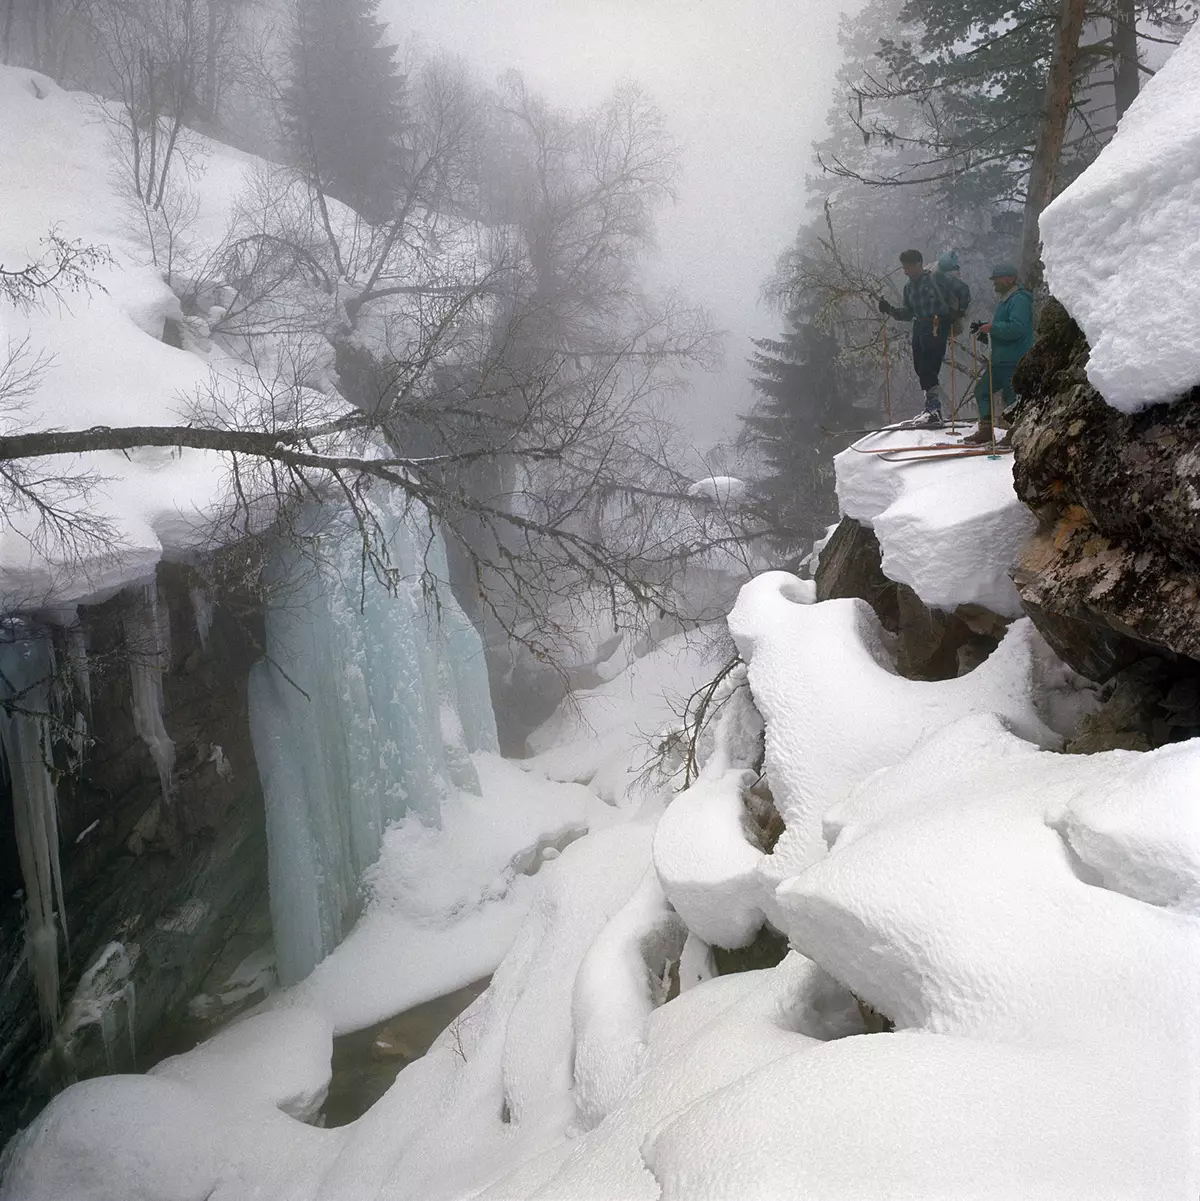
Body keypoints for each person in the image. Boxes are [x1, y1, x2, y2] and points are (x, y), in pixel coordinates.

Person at [877, 249, 968, 428]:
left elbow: (963, 290)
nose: (905, 271)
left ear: (918, 263)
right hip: (919, 326)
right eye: (904, 268)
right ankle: (931, 409)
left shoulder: (936, 278)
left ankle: (934, 410)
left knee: (928, 365)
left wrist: (958, 313)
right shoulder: (909, 287)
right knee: (920, 366)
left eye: (908, 267)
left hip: (936, 325)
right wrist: (889, 309)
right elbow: (908, 313)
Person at [963, 262, 1035, 446]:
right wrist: (986, 333)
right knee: (982, 391)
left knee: (1012, 399)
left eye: (998, 279)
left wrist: (992, 328)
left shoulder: (1020, 299)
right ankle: (986, 431)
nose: (995, 283)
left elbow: (1017, 328)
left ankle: (1015, 434)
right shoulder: (1006, 300)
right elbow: (1005, 329)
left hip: (1015, 359)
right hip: (1000, 361)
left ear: (1010, 279)